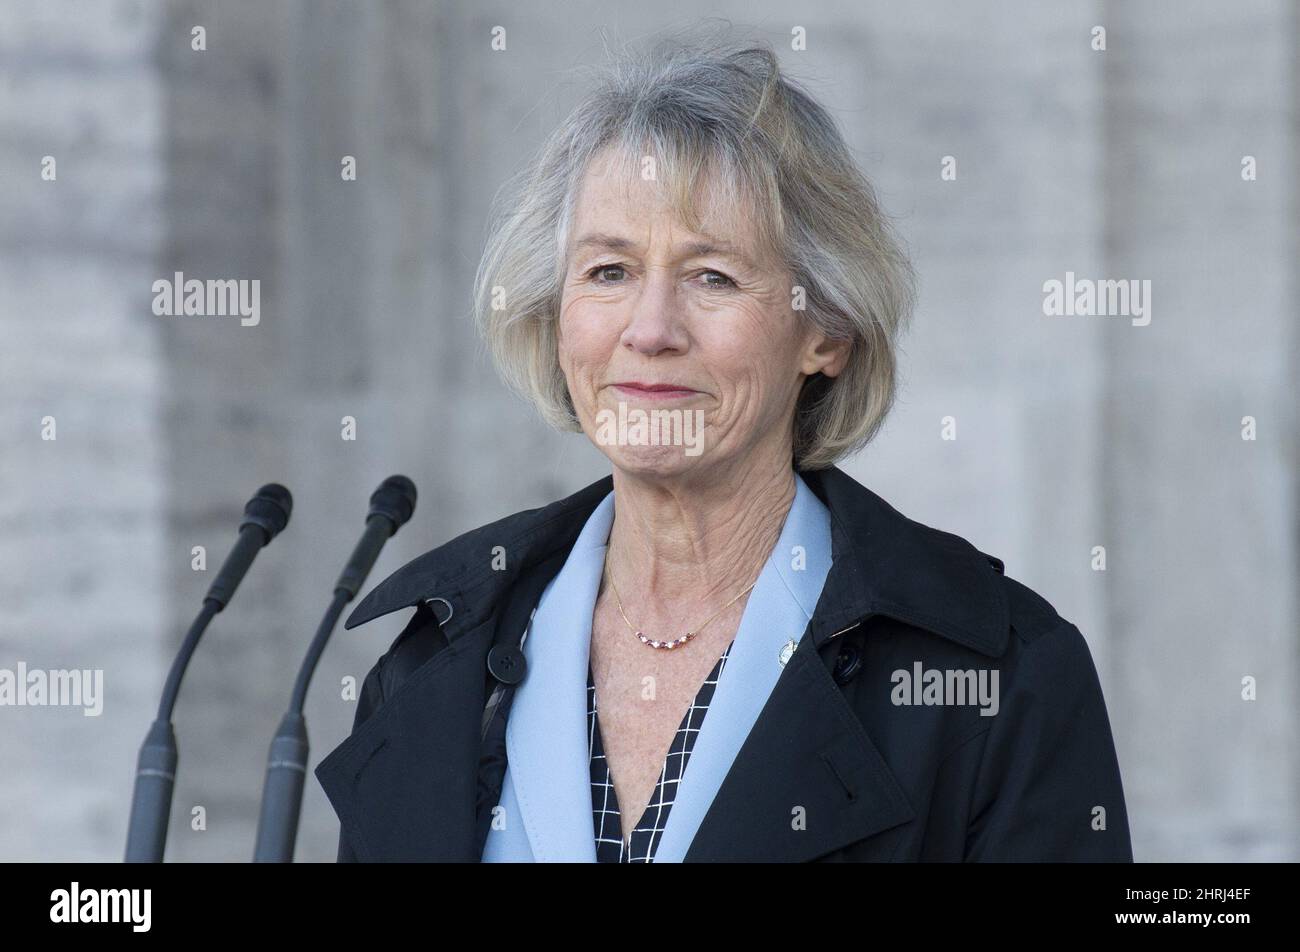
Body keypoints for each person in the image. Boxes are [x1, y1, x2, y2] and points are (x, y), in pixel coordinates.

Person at [315, 35, 1132, 863]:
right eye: (608, 271)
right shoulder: (432, 661)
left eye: (713, 277)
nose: (650, 330)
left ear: (828, 332)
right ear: (553, 316)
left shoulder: (998, 676)